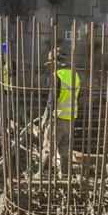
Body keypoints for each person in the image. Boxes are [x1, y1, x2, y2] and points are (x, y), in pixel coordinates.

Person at [42, 49, 80, 177]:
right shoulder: (75, 75)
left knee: (49, 147)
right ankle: (64, 174)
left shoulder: (57, 76)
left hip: (57, 118)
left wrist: (45, 118)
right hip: (70, 119)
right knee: (65, 149)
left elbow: (52, 100)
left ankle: (43, 173)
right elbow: (77, 97)